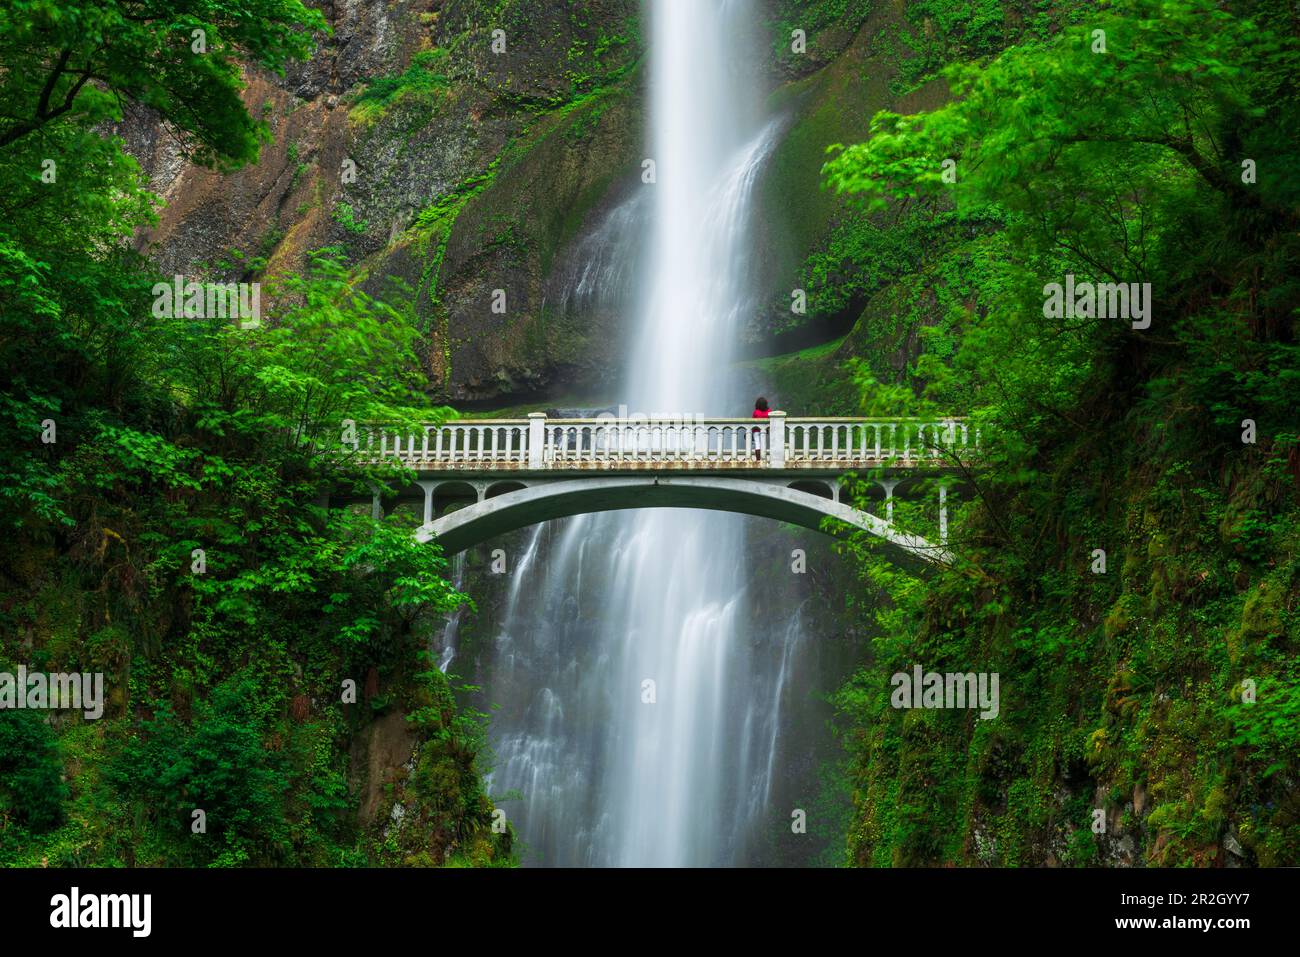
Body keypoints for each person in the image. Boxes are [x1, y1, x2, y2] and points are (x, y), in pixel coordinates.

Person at [751, 396, 770, 461]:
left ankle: (758, 460)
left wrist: (750, 432)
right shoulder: (769, 411)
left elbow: (752, 423)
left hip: (756, 431)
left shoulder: (756, 412)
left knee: (757, 445)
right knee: (763, 444)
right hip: (764, 431)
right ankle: (763, 458)